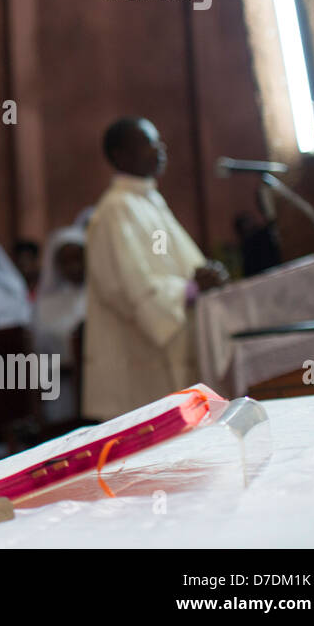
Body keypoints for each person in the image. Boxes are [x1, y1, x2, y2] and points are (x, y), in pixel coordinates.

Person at [82, 117, 228, 420]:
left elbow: (182, 264)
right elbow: (130, 289)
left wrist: (205, 275)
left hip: (166, 347)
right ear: (121, 155)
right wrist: (190, 289)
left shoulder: (149, 200)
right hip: (136, 362)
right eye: (149, 143)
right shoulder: (115, 209)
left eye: (159, 142)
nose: (160, 149)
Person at [32, 225, 87, 424]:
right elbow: (37, 352)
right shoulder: (46, 304)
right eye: (66, 260)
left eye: (78, 258)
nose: (74, 265)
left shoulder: (102, 299)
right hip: (62, 389)